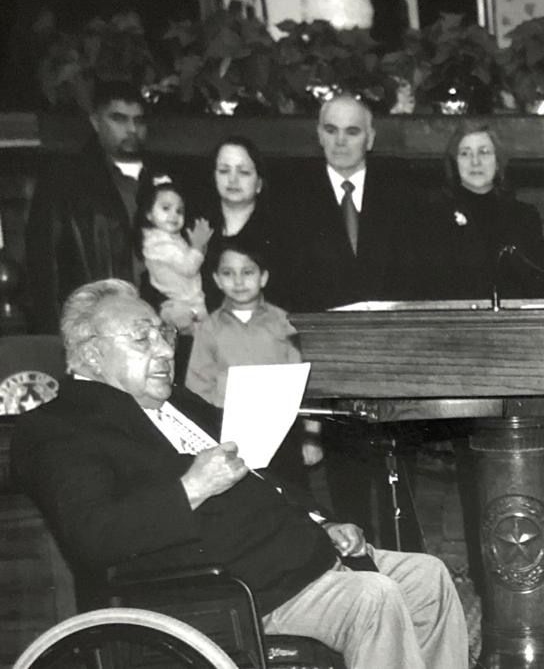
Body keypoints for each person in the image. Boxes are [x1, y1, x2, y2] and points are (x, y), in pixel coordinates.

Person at [12, 278, 468, 669]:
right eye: (141, 338)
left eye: (164, 334)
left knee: (428, 579)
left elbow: (262, 477)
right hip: (230, 592)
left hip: (299, 557)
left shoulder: (181, 404)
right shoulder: (59, 427)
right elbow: (94, 535)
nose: (165, 350)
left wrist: (322, 522)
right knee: (373, 597)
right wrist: (192, 487)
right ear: (91, 355)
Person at [186, 239, 322, 485]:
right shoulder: (208, 328)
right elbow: (198, 386)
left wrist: (311, 436)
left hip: (283, 434)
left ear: (263, 277)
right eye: (228, 273)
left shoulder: (287, 323)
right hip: (227, 436)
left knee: (292, 499)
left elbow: (308, 385)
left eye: (247, 272)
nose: (238, 281)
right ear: (216, 279)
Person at [25, 80, 153, 334]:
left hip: (157, 323)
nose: (131, 129)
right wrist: (54, 337)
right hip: (96, 329)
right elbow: (45, 269)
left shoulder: (161, 177)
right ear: (95, 122)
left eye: (138, 121)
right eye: (119, 119)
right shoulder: (64, 182)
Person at [285, 94, 418, 311]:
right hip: (318, 333)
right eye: (331, 130)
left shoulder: (403, 197)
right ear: (319, 135)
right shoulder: (293, 199)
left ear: (370, 138)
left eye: (352, 131)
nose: (340, 141)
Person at [419, 120, 544, 299]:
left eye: (483, 152)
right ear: (454, 163)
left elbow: (541, 286)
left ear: (498, 162)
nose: (475, 162)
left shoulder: (523, 217)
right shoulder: (434, 216)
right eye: (465, 154)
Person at [199, 136, 286, 312]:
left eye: (243, 172)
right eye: (224, 171)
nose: (232, 180)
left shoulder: (280, 233)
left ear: (259, 183)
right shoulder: (196, 226)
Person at [135, 173, 212, 333]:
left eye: (179, 211)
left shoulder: (173, 239)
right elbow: (188, 268)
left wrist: (199, 246)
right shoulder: (157, 243)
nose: (174, 215)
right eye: (165, 208)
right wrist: (197, 247)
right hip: (177, 306)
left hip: (192, 302)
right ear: (148, 214)